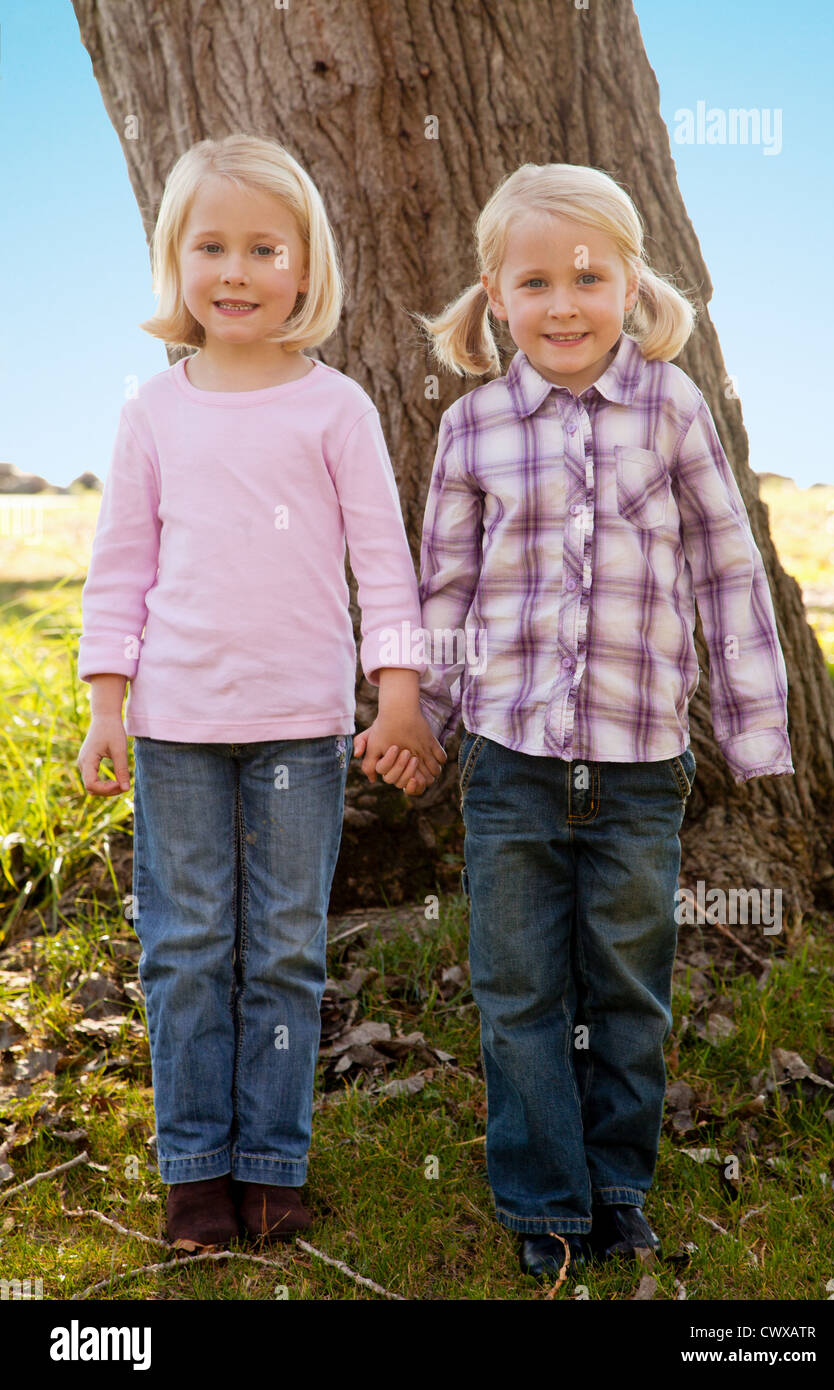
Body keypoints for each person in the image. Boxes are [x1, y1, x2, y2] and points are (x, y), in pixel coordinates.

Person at [369, 162, 794, 1281]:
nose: (564, 303)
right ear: (494, 294)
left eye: (589, 277)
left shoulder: (671, 405)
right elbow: (444, 591)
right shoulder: (470, 429)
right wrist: (427, 722)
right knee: (515, 985)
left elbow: (725, 563)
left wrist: (750, 729)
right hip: (509, 759)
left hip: (640, 758)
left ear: (630, 284)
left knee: (625, 982)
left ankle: (618, 1185)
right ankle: (543, 1201)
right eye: (536, 281)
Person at [76, 133, 445, 1250]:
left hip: (301, 725)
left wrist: (397, 695)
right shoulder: (153, 409)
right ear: (175, 262)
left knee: (282, 948)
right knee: (185, 948)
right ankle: (194, 1169)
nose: (233, 271)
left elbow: (384, 562)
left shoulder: (335, 409)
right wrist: (106, 703)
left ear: (304, 266)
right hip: (177, 726)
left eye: (261, 248)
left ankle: (272, 1165)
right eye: (209, 247)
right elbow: (119, 565)